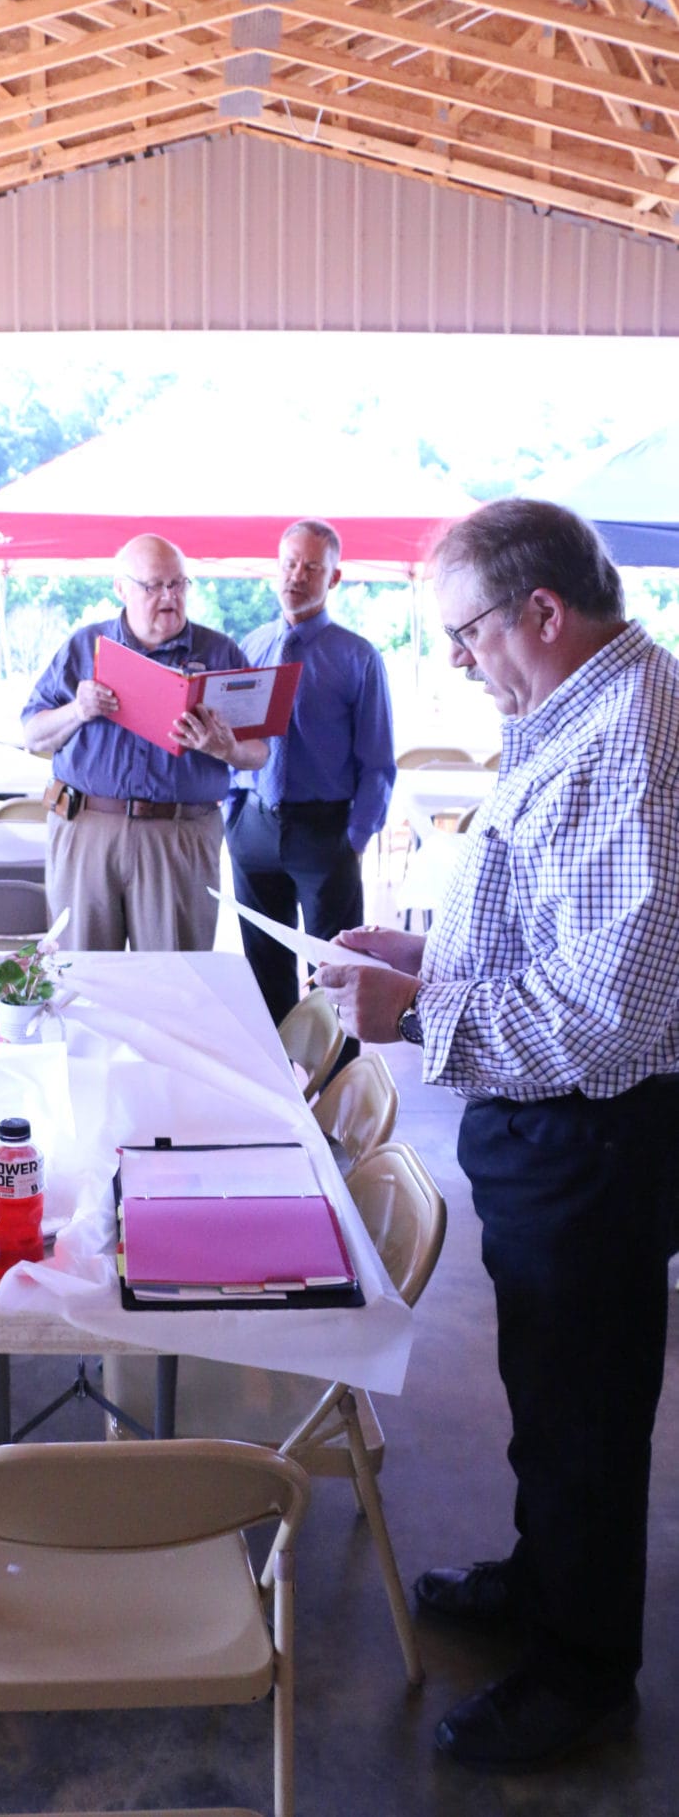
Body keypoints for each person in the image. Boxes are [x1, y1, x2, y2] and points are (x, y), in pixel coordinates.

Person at [315, 499, 679, 1773]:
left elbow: (607, 1006)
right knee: (546, 1387)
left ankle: (581, 1673)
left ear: (542, 611)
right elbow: (551, 923)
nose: (457, 660)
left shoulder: (632, 736)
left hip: (591, 1133)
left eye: (464, 633)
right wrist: (429, 955)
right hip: (551, 1128)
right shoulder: (573, 710)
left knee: (583, 1412)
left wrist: (418, 1011)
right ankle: (544, 1580)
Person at [20, 534, 269, 951]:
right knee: (82, 972)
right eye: (154, 586)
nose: (170, 596)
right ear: (121, 588)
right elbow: (32, 734)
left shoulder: (220, 654)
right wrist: (78, 710)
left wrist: (223, 748)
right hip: (87, 828)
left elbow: (259, 753)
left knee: (173, 974)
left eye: (178, 584)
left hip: (179, 835)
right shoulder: (84, 647)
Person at [225, 519, 395, 1038]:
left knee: (335, 976)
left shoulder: (358, 657)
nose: (297, 576)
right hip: (253, 828)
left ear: (334, 577)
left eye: (312, 568)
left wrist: (355, 839)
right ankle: (278, 1081)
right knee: (263, 973)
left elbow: (378, 761)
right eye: (289, 564)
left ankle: (337, 1083)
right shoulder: (249, 648)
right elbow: (230, 736)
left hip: (326, 833)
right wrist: (234, 812)